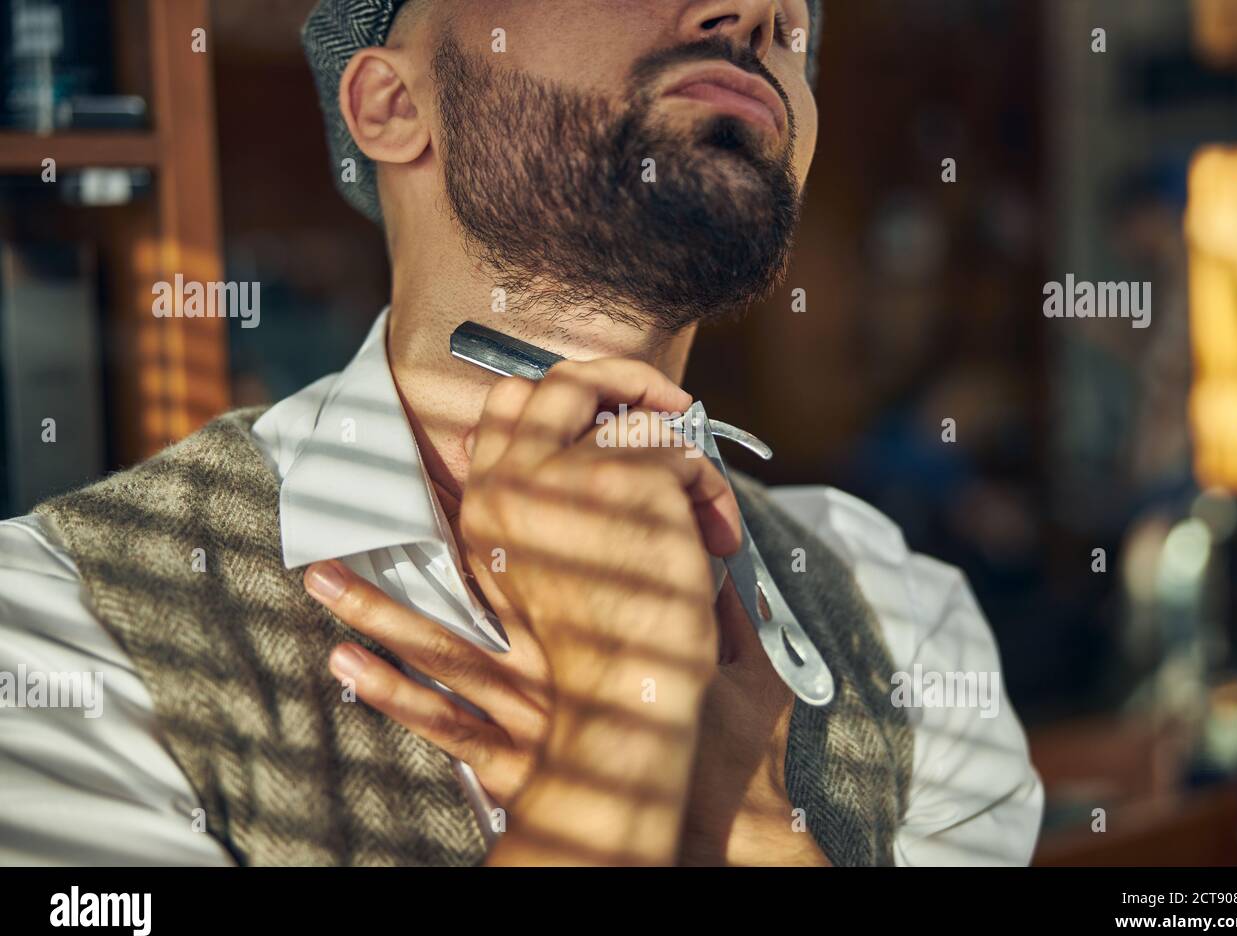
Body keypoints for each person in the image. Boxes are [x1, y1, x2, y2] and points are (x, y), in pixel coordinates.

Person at [0, 0, 1042, 866]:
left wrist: (761, 822)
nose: (762, 13)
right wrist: (617, 753)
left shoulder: (904, 614)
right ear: (393, 103)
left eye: (799, 13)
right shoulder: (61, 626)